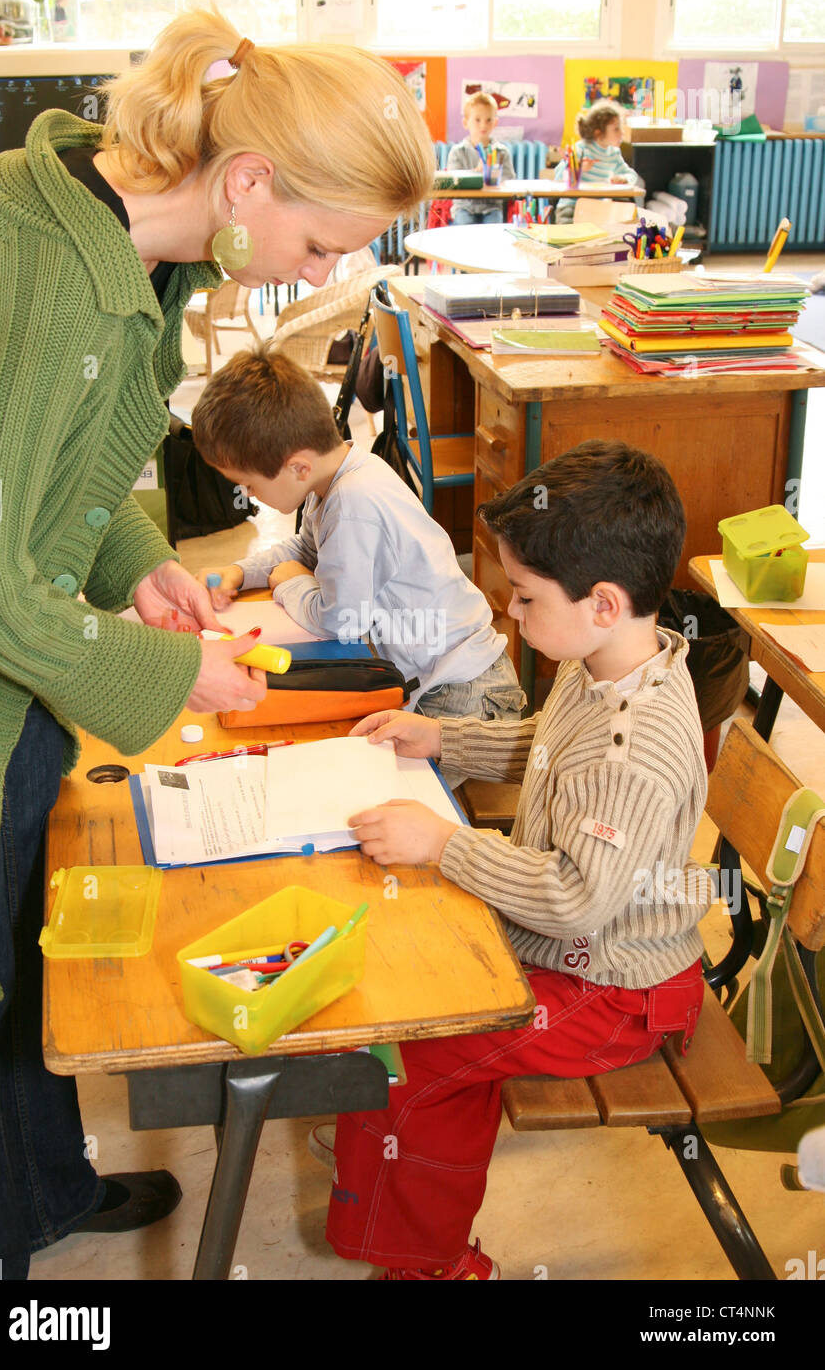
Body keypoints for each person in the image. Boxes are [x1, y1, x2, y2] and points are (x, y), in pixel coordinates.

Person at [0, 6, 436, 1279]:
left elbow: (57, 476)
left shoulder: (132, 250)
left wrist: (143, 562)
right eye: (316, 241)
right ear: (244, 181)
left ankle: (44, 1189)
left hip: (11, 699)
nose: (301, 273)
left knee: (20, 966)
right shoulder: (39, 265)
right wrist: (176, 670)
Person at [326, 440, 713, 1279]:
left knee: (413, 1048)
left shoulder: (634, 749)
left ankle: (429, 1261)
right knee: (408, 984)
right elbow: (546, 746)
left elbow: (576, 900)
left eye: (526, 597)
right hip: (576, 955)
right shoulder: (604, 662)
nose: (509, 615)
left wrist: (449, 843)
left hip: (614, 990)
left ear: (603, 602)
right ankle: (395, 1176)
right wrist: (445, 736)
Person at [192, 348, 526, 788]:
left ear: (297, 466)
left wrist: (288, 586)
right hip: (435, 680)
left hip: (465, 698)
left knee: (379, 800)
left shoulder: (354, 502)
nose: (250, 496)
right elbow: (306, 549)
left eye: (249, 484)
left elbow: (339, 620)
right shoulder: (335, 477)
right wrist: (242, 571)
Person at [554, 99, 638, 223]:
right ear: (599, 133)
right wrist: (577, 167)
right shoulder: (581, 149)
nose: (622, 133)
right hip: (572, 207)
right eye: (616, 129)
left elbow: (632, 175)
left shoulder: (613, 154)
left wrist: (624, 178)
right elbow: (558, 176)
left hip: (597, 209)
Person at [446, 91, 515, 225]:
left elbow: (509, 180)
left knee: (494, 231)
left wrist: (491, 175)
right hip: (465, 207)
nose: (483, 125)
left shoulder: (501, 152)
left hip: (492, 207)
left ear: (495, 122)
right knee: (464, 230)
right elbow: (453, 183)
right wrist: (475, 175)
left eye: (489, 120)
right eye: (477, 120)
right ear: (466, 123)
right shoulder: (458, 152)